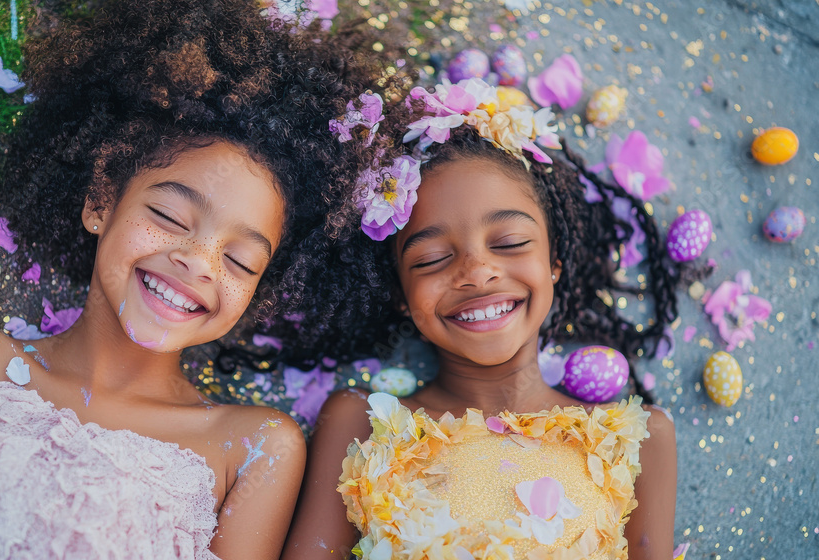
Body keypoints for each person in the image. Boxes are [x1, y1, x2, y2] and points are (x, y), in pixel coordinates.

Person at [0, 1, 394, 558]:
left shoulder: (254, 449)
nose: (199, 262)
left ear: (258, 291)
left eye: (240, 261)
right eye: (168, 216)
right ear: (100, 201)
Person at [283, 78, 681, 560]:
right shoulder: (362, 426)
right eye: (431, 259)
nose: (476, 272)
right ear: (400, 295)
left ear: (554, 261)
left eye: (510, 243)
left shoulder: (639, 441)